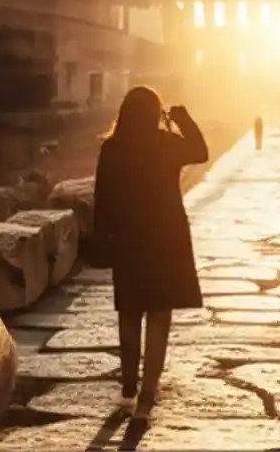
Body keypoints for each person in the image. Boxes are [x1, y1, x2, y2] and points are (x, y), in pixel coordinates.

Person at [92, 86, 208, 421]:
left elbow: (102, 195)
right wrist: (182, 118)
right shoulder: (166, 144)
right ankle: (149, 389)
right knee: (159, 313)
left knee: (129, 310)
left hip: (128, 238)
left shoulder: (112, 149)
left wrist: (104, 237)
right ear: (157, 113)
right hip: (166, 237)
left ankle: (129, 381)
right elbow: (201, 151)